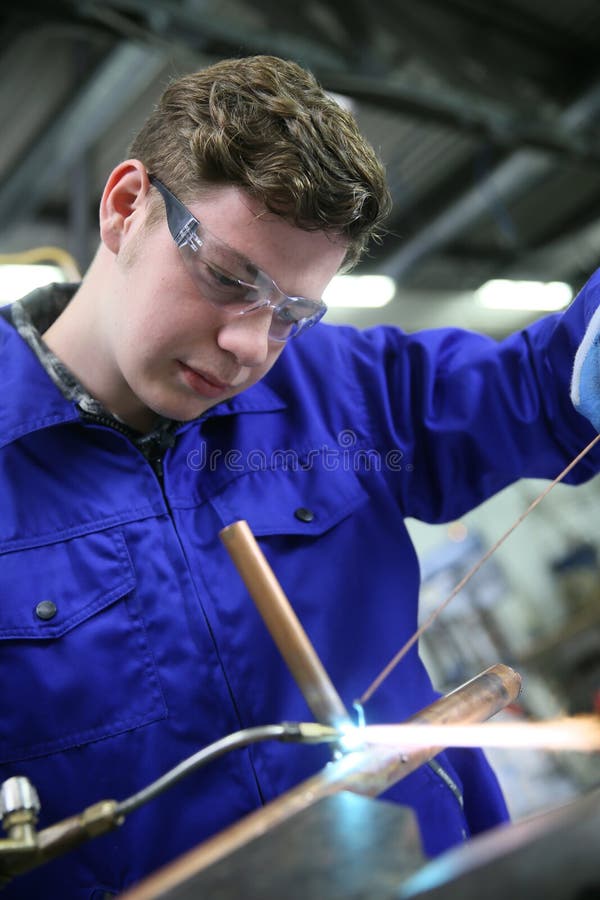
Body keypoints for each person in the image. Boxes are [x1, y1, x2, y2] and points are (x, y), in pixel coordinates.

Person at [1, 54, 599, 899]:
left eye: (291, 311)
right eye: (227, 277)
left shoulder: (346, 395)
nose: (252, 346)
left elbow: (541, 391)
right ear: (127, 205)